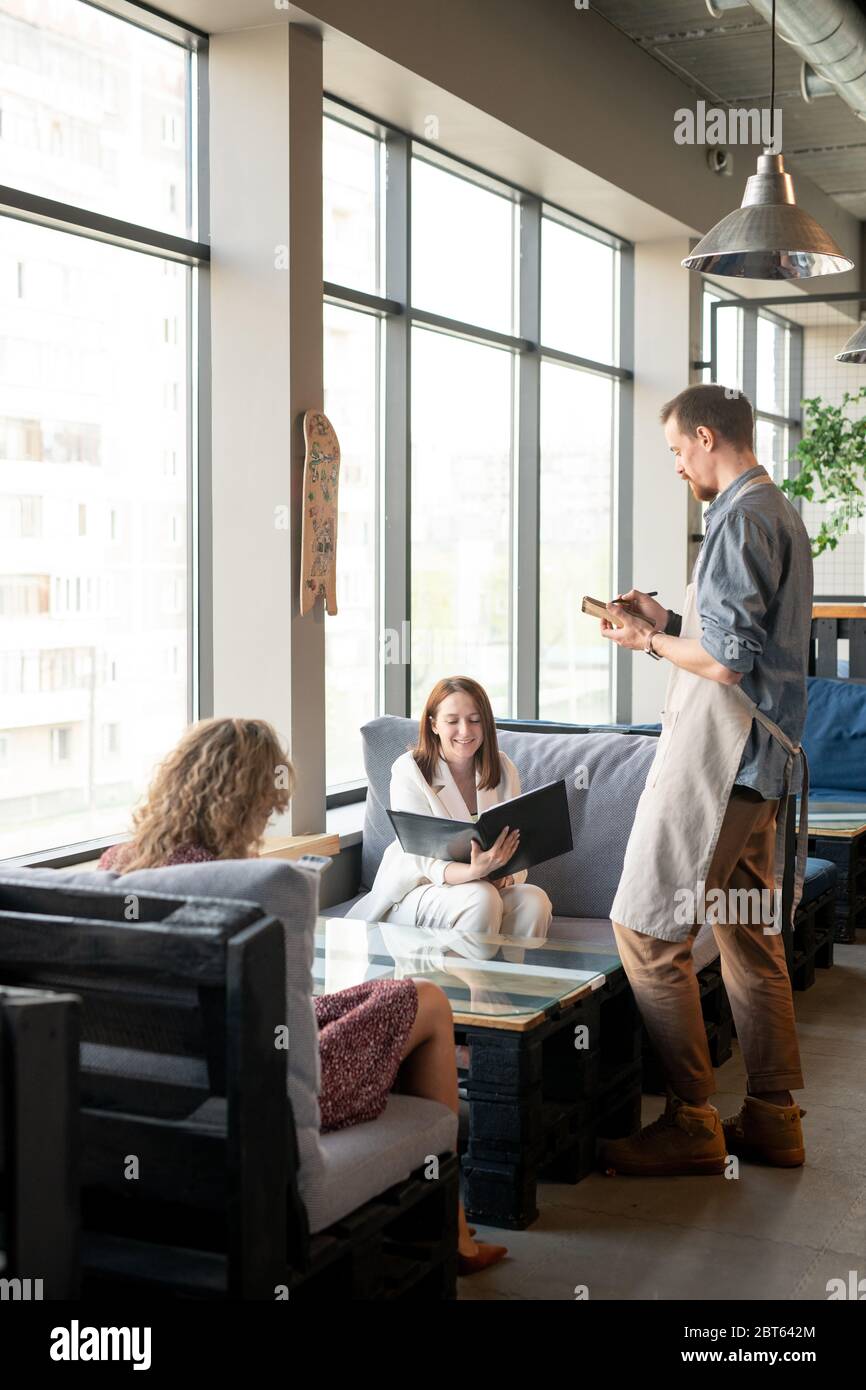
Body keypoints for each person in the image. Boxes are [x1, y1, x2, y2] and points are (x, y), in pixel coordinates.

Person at [99, 716, 505, 1273]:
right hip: (257, 1096)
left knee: (386, 994)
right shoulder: (243, 888)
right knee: (426, 1000)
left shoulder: (115, 867)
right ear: (244, 801)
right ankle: (449, 1230)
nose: (270, 816)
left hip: (175, 1078)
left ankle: (433, 1216)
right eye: (267, 804)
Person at [597, 383, 811, 1177]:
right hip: (766, 773)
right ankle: (773, 1117)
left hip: (723, 771)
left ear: (706, 435)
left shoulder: (740, 519)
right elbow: (733, 642)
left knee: (649, 934)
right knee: (749, 937)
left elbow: (724, 664)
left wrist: (644, 643)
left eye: (677, 451)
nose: (677, 467)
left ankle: (692, 1119)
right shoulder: (776, 511)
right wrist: (669, 622)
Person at [348, 676, 553, 959]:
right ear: (434, 725)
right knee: (482, 898)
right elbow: (424, 859)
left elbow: (516, 846)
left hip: (487, 884)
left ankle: (512, 985)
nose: (464, 730)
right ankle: (474, 989)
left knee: (534, 900)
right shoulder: (410, 770)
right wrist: (474, 874)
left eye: (474, 720)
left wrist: (503, 878)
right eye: (452, 720)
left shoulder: (503, 768)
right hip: (418, 890)